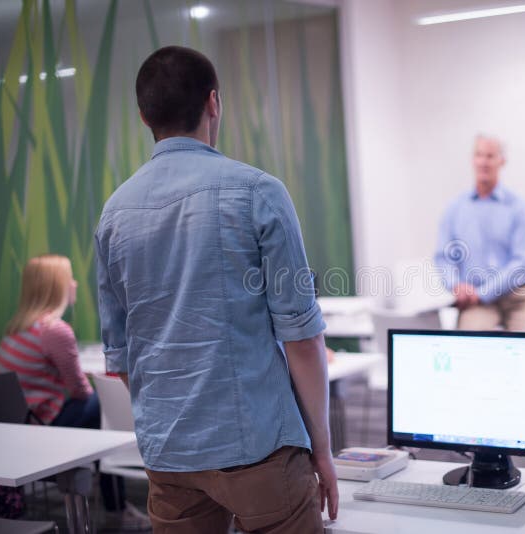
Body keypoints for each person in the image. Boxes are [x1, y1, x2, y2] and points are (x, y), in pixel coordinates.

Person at [95, 46, 337, 533]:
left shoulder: (113, 214)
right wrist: (324, 452)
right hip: (259, 450)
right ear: (214, 103)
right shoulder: (258, 192)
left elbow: (120, 359)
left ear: (144, 116)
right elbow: (303, 341)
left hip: (169, 457)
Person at [0, 254, 149, 529]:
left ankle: (112, 499)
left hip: (16, 430)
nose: (75, 284)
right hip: (38, 431)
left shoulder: (16, 329)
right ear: (56, 286)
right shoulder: (55, 331)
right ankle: (117, 505)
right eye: (70, 278)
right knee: (100, 404)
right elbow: (79, 390)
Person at [434, 135, 525, 331]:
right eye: (479, 155)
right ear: (472, 160)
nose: (483, 162)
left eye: (490, 156)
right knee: (471, 339)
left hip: (518, 297)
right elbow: (443, 257)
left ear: (502, 161)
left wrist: (483, 292)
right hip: (476, 302)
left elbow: (520, 262)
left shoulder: (519, 207)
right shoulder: (455, 209)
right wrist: (456, 286)